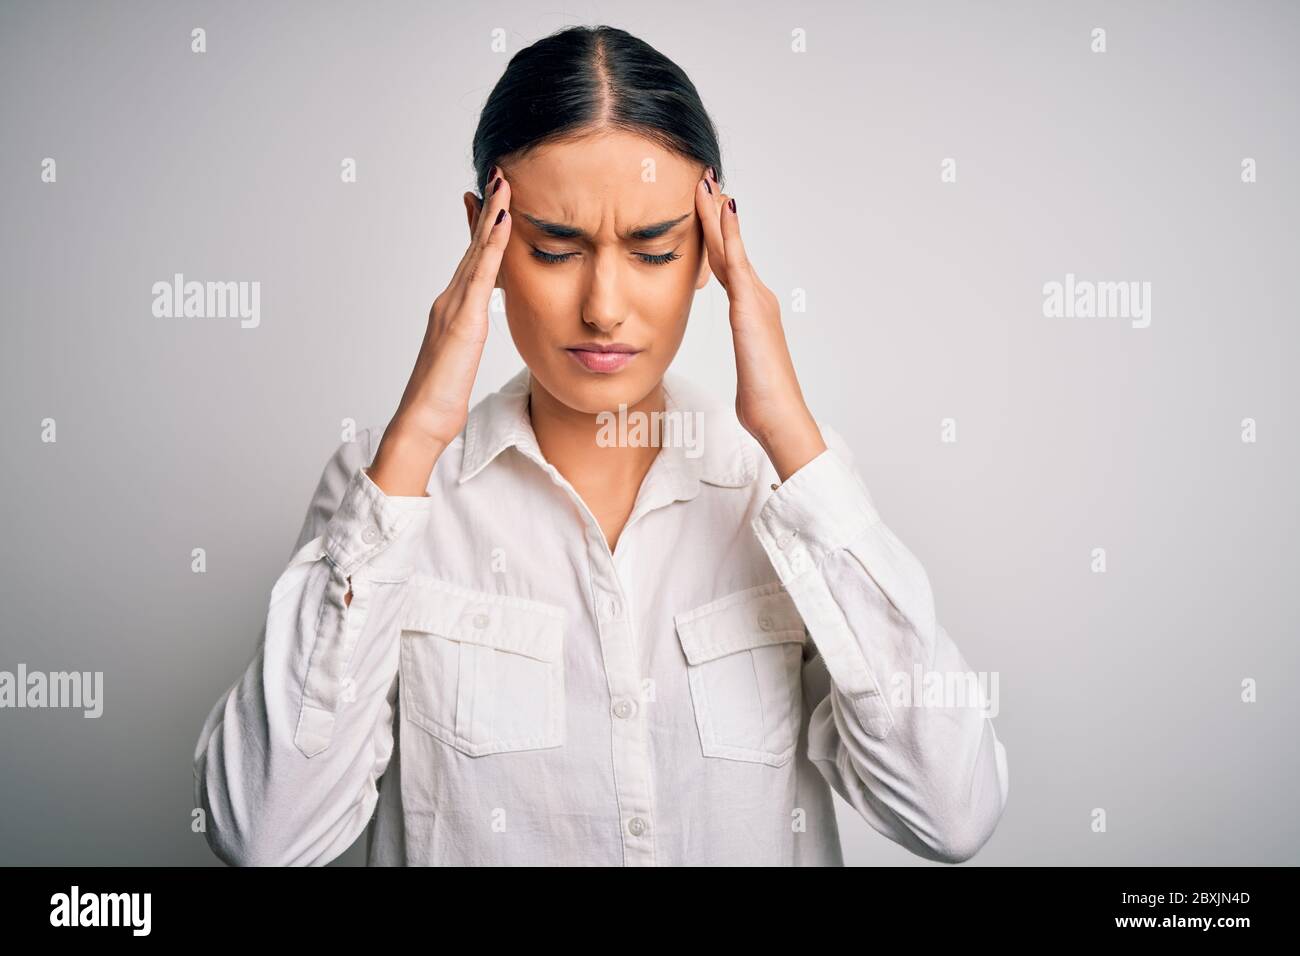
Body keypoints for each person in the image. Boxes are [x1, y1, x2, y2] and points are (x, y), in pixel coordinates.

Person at [192, 23, 1009, 866]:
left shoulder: (785, 487)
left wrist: (789, 436)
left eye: (655, 250)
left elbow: (952, 813)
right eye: (554, 249)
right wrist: (418, 437)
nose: (604, 306)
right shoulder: (388, 493)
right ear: (488, 240)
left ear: (712, 247)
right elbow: (264, 835)